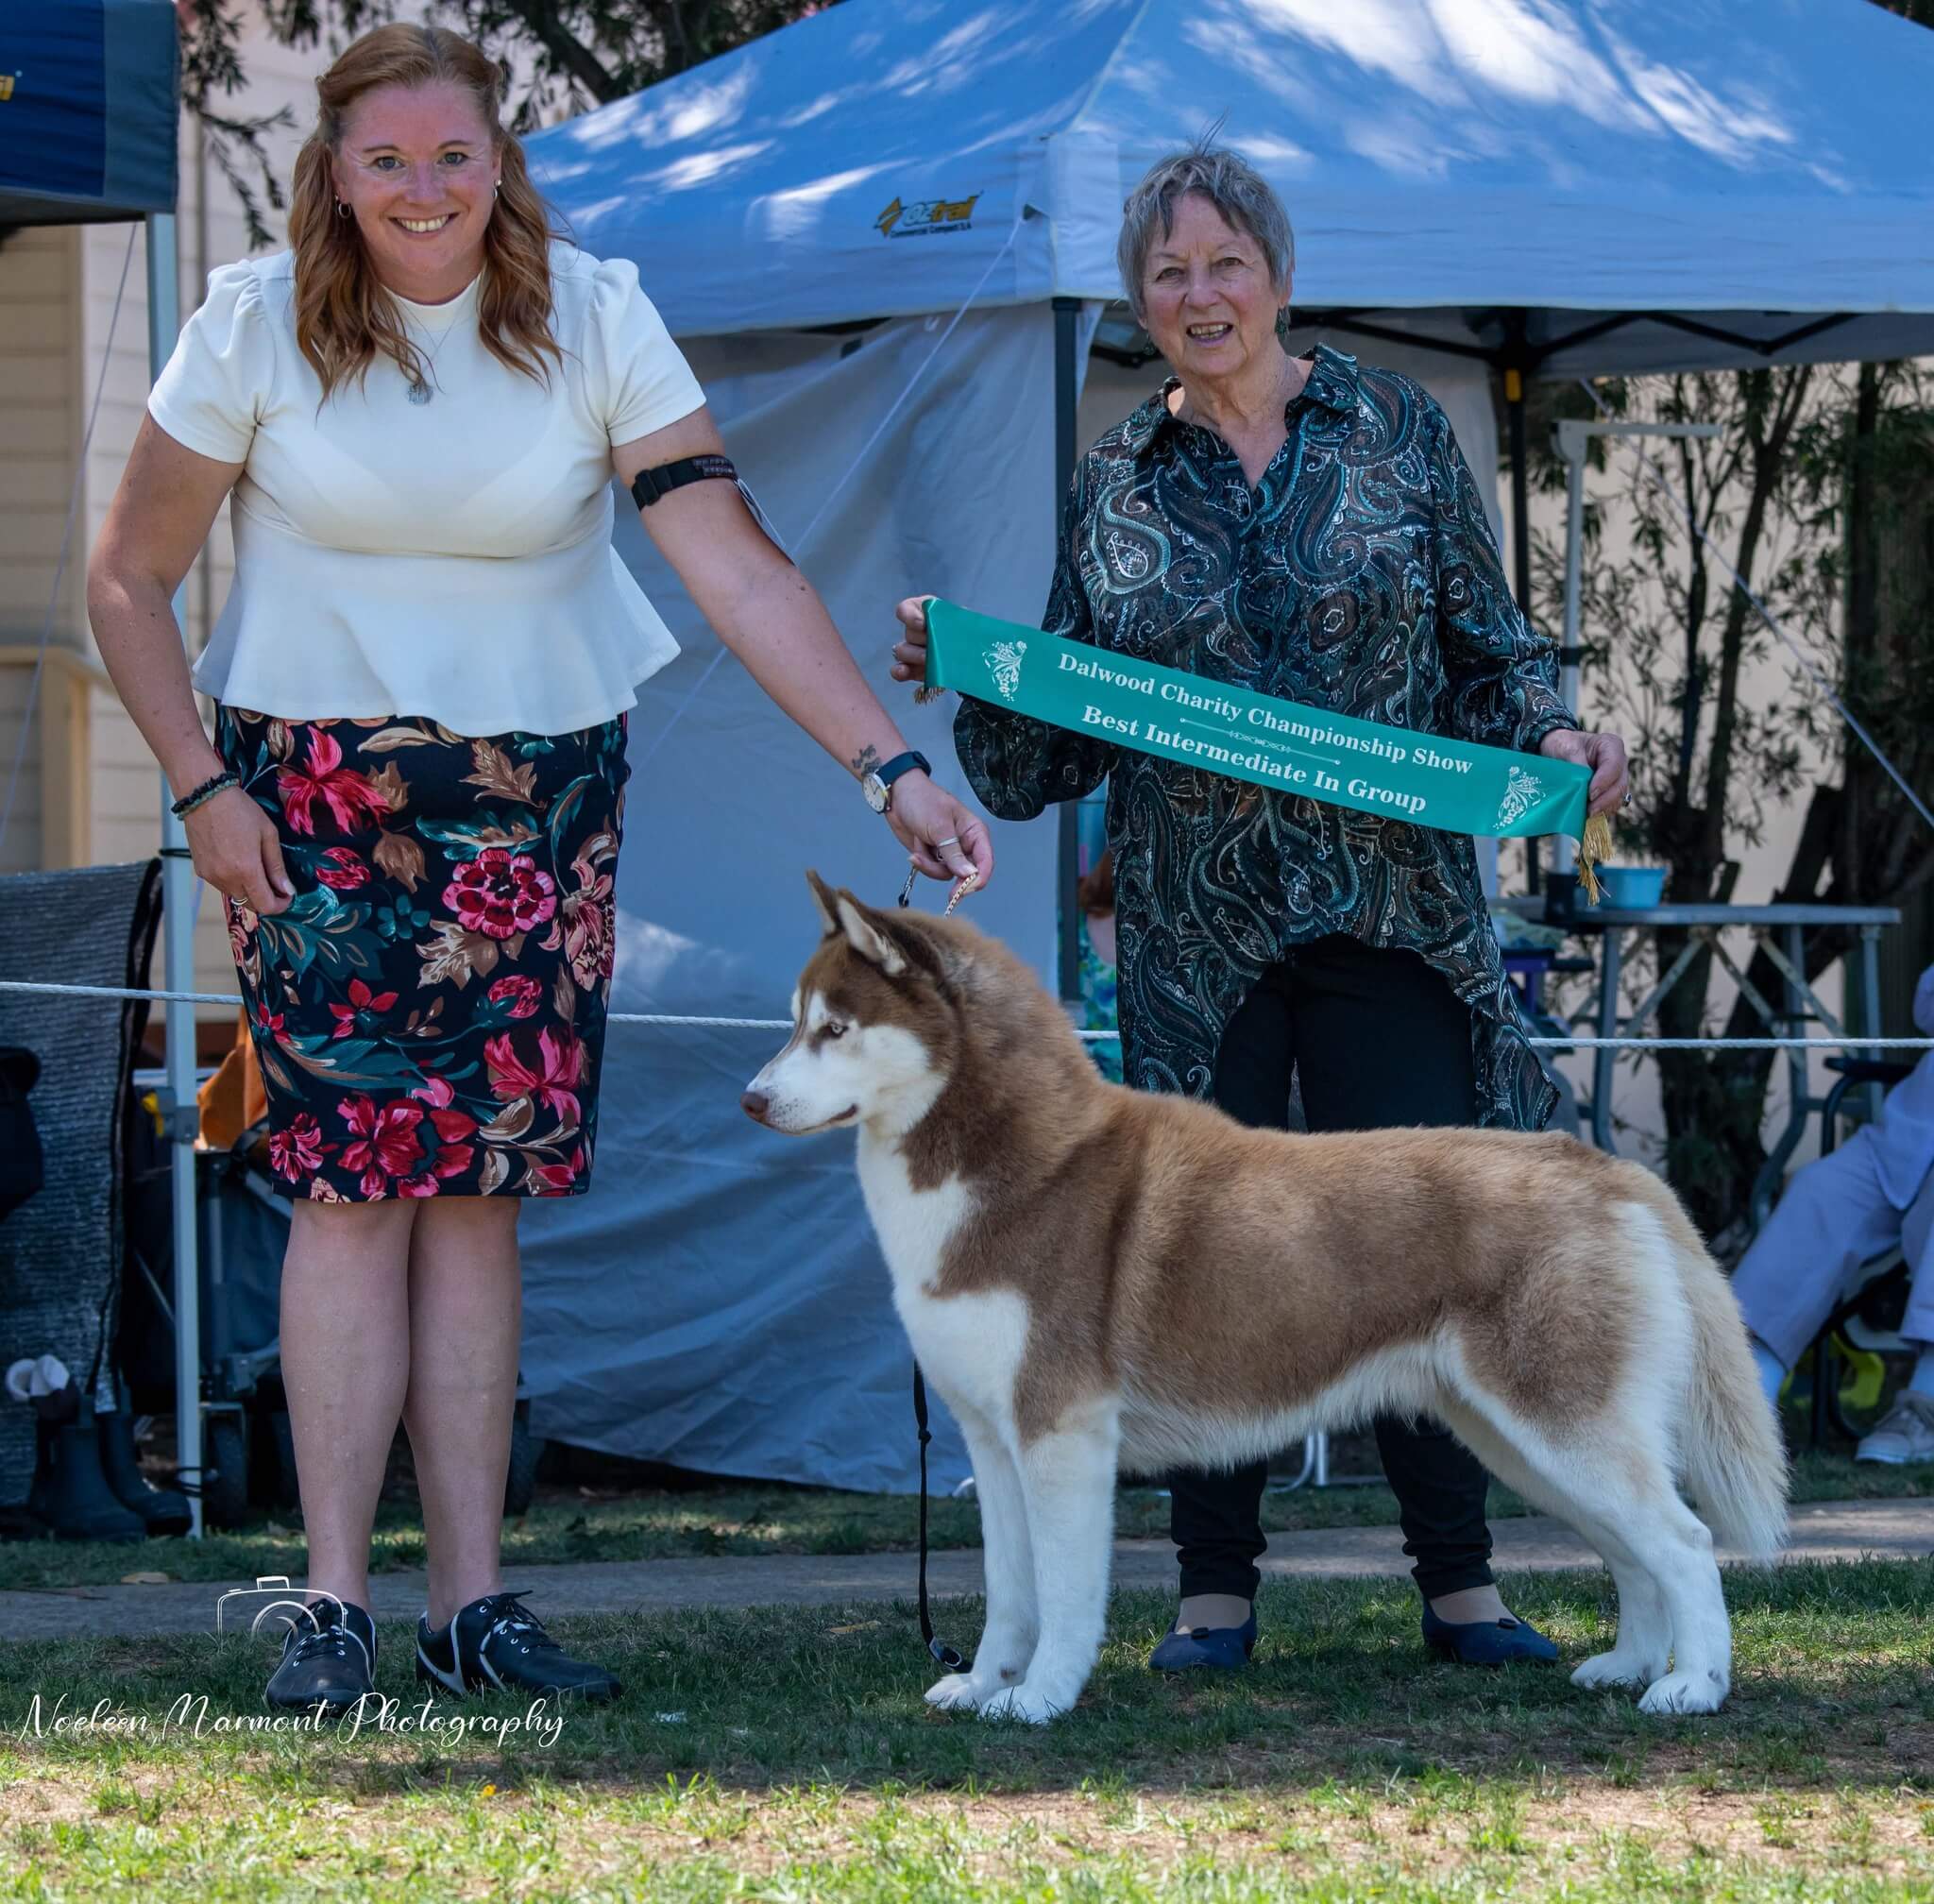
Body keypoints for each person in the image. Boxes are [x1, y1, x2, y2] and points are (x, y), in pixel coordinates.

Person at [86, 23, 991, 1717]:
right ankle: (334, 1607)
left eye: (454, 155)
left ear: (498, 160)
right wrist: (201, 785)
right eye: (385, 161)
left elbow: (733, 563)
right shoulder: (250, 321)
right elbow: (126, 577)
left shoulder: (596, 312)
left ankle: (473, 1607)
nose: (423, 190)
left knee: (480, 1197)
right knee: (352, 1192)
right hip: (309, 800)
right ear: (333, 174)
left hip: (536, 806)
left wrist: (887, 765)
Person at [891, 144, 1631, 1672]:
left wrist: (1557, 741)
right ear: (1139, 304)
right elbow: (1054, 746)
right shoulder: (1113, 476)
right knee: (1187, 1267)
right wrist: (970, 677)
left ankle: (1462, 1587)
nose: (1196, 293)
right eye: (1166, 273)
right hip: (1189, 946)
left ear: (1277, 276)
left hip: (1395, 918)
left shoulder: (1397, 431)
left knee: (1420, 1252)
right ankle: (1210, 1590)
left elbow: (1490, 650)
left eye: (1222, 263)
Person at [1733, 963, 1934, 1464]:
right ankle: (1741, 1399)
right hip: (1908, 1136)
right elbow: (1926, 1008)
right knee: (1816, 1192)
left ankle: (1925, 1406)